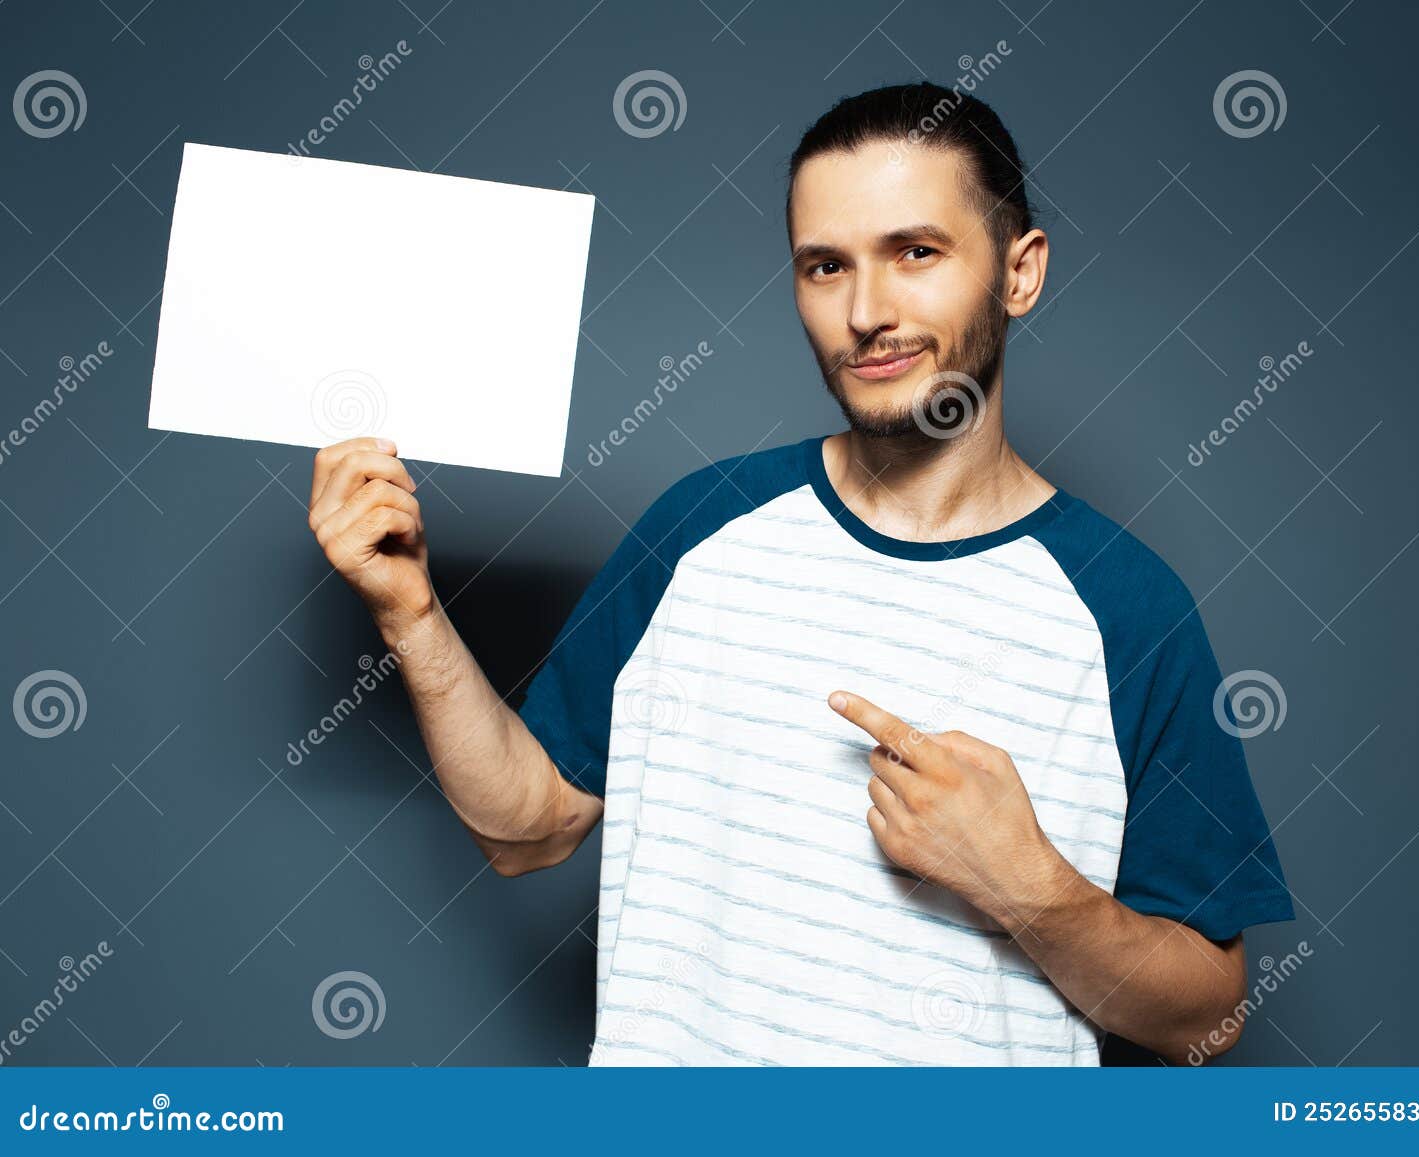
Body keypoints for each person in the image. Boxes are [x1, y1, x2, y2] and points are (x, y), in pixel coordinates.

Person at [305, 82, 1294, 1066]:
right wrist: (410, 610)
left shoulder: (1129, 608)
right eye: (826, 266)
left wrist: (1023, 881)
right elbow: (528, 828)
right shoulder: (700, 527)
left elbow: (1205, 1013)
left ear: (1018, 271)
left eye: (915, 252)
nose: (865, 312)